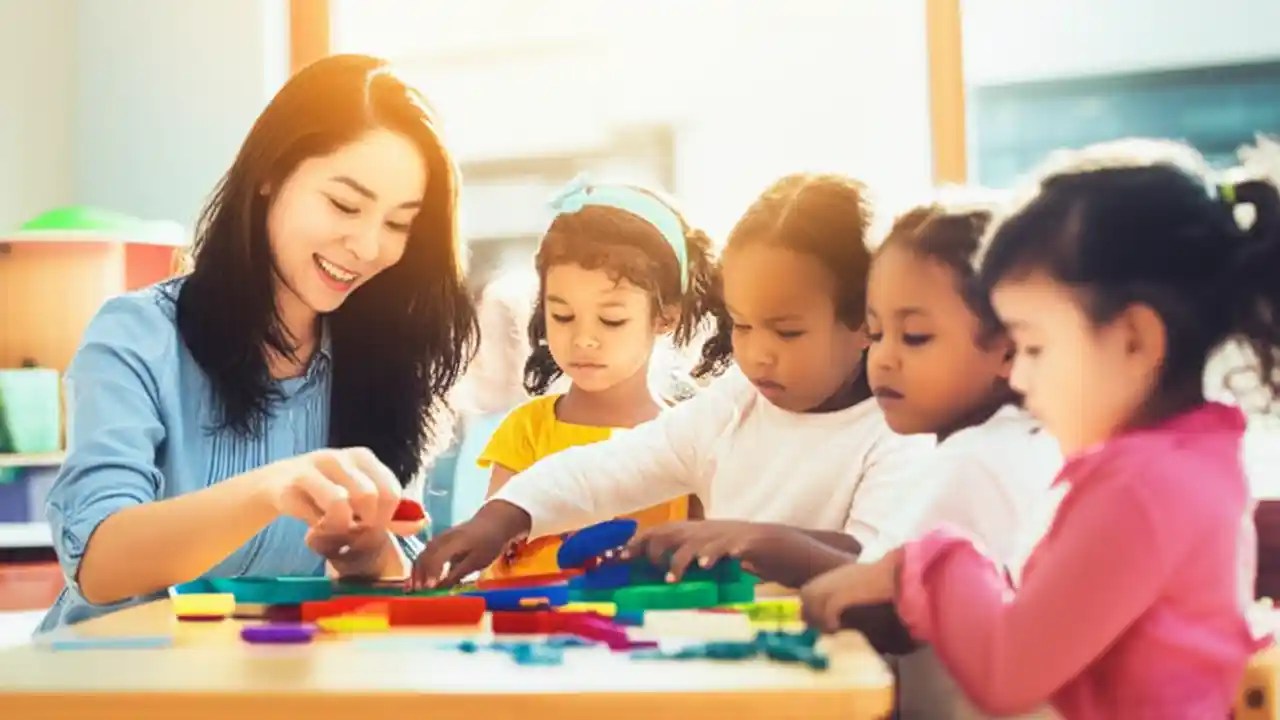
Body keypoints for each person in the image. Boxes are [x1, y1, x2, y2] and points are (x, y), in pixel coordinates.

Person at [801, 139, 1276, 718]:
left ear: (1134, 340)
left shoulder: (1142, 489)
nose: (1018, 374)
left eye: (1033, 345)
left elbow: (1008, 670)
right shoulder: (1183, 464)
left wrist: (922, 563)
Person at [39, 54, 476, 631]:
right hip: (114, 687)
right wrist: (271, 487)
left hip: (271, 688)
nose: (369, 247)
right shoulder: (137, 335)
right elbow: (98, 563)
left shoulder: (383, 358)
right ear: (270, 174)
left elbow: (389, 584)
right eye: (345, 205)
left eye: (398, 224)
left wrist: (368, 554)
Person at [411, 173, 930, 590]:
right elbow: (611, 468)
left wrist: (754, 541)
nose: (757, 353)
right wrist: (504, 516)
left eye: (787, 331)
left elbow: (878, 567)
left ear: (867, 321)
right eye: (741, 325)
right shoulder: (735, 404)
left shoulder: (899, 430)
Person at [474, 176, 721, 579]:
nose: (584, 339)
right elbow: (491, 559)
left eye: (611, 319)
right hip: (528, 630)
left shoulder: (688, 436)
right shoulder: (528, 430)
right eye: (562, 316)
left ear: (666, 316)